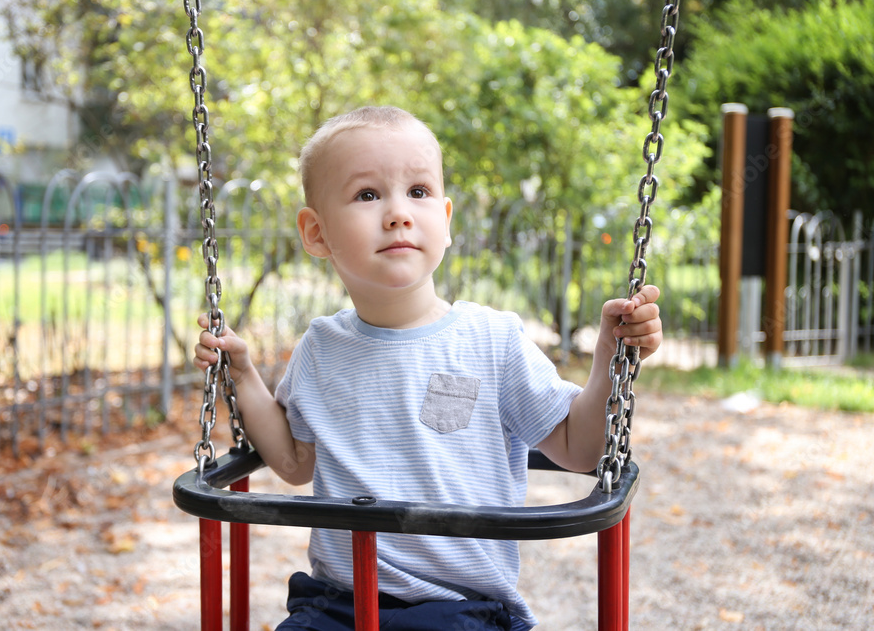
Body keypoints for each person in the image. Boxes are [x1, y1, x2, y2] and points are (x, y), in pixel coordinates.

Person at [194, 106, 662, 630]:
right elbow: (295, 461)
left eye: (417, 192)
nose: (397, 213)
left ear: (446, 218)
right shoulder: (321, 347)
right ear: (316, 233)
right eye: (368, 195)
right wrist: (242, 376)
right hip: (337, 604)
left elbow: (581, 449)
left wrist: (609, 361)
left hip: (462, 609)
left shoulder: (492, 340)